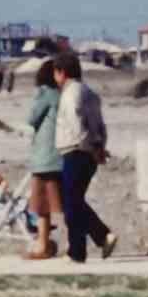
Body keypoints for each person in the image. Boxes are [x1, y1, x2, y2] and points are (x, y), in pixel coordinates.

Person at [52, 53, 116, 264]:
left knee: (71, 205)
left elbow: (76, 125)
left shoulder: (71, 94)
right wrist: (99, 146)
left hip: (76, 151)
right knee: (75, 202)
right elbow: (100, 125)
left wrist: (90, 147)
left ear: (62, 72)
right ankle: (100, 238)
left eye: (56, 72)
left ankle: (78, 251)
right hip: (88, 153)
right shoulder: (90, 92)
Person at [22, 61, 65, 259]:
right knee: (62, 203)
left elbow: (31, 118)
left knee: (41, 206)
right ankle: (69, 242)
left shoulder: (46, 93)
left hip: (44, 155)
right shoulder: (63, 94)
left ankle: (42, 245)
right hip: (60, 154)